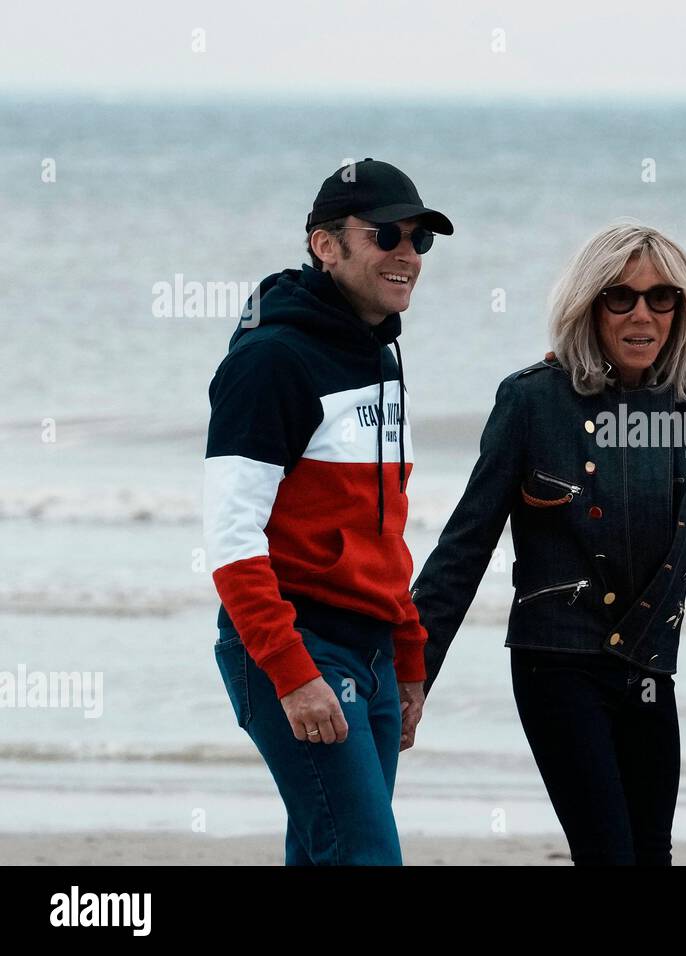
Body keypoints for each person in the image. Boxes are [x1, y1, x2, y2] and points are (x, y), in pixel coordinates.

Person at [411, 220, 686, 865]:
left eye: (663, 298)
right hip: (558, 664)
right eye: (620, 297)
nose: (642, 314)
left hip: (650, 672)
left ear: (681, 312)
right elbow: (465, 548)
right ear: (588, 306)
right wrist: (411, 675)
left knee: (648, 856)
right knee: (607, 854)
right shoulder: (531, 403)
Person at [203, 159, 452, 864]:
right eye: (386, 235)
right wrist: (291, 671)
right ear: (326, 244)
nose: (406, 254)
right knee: (363, 855)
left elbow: (384, 526)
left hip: (372, 651)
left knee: (326, 853)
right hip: (298, 645)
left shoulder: (381, 355)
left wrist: (408, 655)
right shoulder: (271, 362)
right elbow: (230, 538)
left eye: (419, 240)